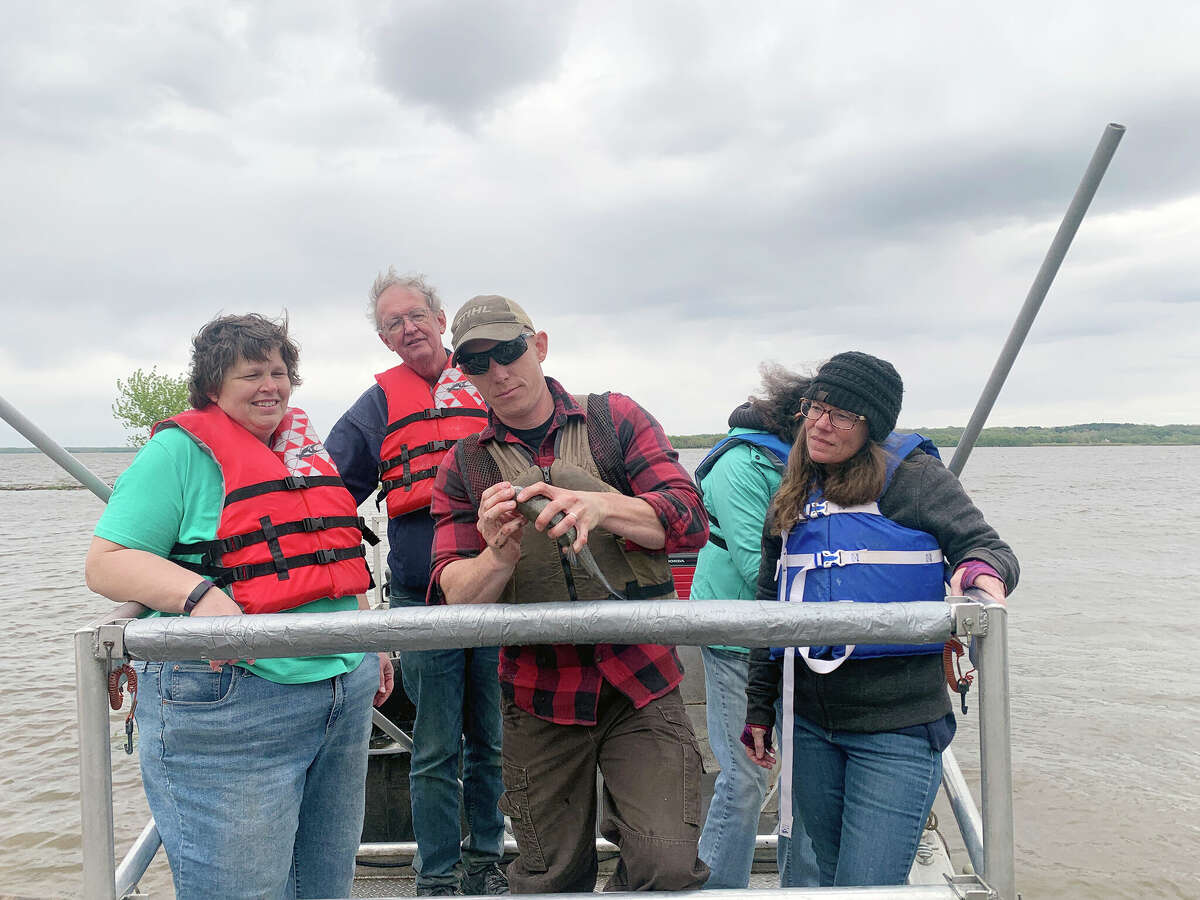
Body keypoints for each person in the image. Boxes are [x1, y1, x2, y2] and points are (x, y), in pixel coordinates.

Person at [84, 313, 394, 900]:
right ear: (212, 387)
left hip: (342, 691)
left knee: (326, 886)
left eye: (279, 371)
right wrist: (199, 596)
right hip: (234, 704)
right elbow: (107, 561)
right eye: (251, 373)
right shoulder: (176, 455)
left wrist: (371, 636)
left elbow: (336, 556)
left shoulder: (303, 453)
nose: (270, 385)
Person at [428, 294, 711, 894]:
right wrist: (499, 553)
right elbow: (455, 596)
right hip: (538, 694)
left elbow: (688, 519)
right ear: (466, 376)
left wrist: (601, 503)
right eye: (479, 363)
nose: (499, 372)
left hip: (641, 677)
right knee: (547, 879)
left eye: (509, 351)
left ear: (540, 345)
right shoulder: (464, 467)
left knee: (668, 868)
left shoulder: (616, 419)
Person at [742, 351, 1019, 887]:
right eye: (816, 407)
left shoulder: (915, 481)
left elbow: (988, 548)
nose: (821, 424)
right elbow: (768, 607)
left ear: (873, 428)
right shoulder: (792, 490)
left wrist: (979, 575)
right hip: (809, 727)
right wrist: (760, 706)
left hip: (896, 730)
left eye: (843, 415)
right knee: (824, 873)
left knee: (867, 887)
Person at [326, 270, 507, 896]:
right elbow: (325, 499)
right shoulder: (375, 407)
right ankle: (436, 874)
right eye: (393, 323)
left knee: (492, 739)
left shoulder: (491, 379)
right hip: (419, 598)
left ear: (439, 316)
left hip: (499, 594)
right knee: (433, 747)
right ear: (385, 340)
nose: (409, 329)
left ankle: (488, 860)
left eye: (416, 316)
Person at [691, 364, 818, 889]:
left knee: (809, 776)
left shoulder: (799, 461)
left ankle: (804, 886)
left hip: (793, 636)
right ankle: (718, 886)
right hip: (735, 636)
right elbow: (753, 563)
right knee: (747, 775)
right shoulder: (739, 466)